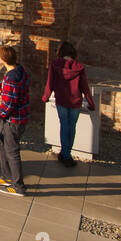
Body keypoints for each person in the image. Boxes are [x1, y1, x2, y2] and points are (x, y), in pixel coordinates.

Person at [0, 45, 31, 197]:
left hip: (14, 120)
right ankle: (6, 176)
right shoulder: (20, 71)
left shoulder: (12, 78)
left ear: (2, 59)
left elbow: (9, 104)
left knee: (12, 151)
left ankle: (18, 186)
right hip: (14, 118)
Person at [42, 40, 94, 168]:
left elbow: (50, 82)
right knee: (72, 127)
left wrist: (45, 97)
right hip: (75, 101)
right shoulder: (79, 67)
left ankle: (65, 154)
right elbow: (85, 86)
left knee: (64, 126)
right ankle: (67, 153)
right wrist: (91, 102)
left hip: (62, 99)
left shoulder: (55, 64)